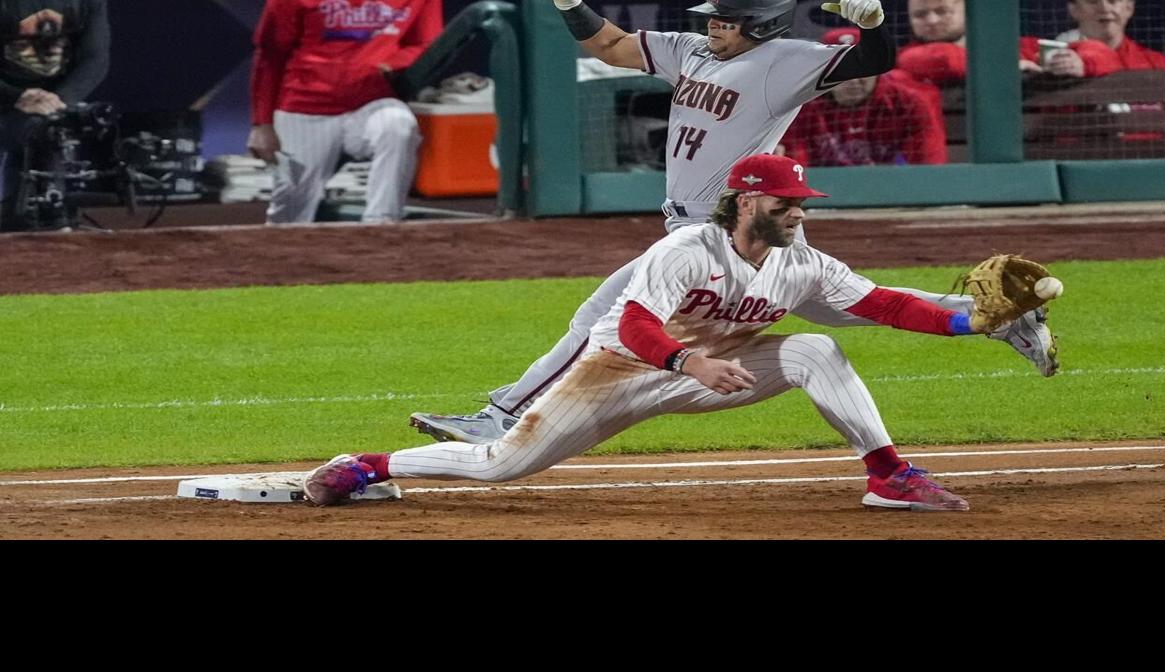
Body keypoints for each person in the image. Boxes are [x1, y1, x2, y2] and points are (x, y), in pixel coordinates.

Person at [410, 0, 1057, 446]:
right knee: (849, 307)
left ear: (761, 23)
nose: (713, 25)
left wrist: (875, 25)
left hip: (724, 236)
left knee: (597, 319)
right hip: (732, 234)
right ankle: (1000, 316)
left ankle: (502, 417)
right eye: (713, 17)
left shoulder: (784, 63)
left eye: (726, 19)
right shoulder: (691, 50)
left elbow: (870, 62)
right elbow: (606, 44)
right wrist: (566, 4)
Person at [305, 154, 972, 512]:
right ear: (747, 202)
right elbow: (632, 322)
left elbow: (886, 304)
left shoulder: (805, 264)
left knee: (816, 350)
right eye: (784, 203)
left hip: (713, 372)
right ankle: (368, 466)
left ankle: (888, 477)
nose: (797, 213)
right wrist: (691, 363)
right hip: (619, 372)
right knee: (502, 465)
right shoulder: (687, 248)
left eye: (801, 203)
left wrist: (973, 319)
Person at [246, 0, 442, 225]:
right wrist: (261, 124)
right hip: (304, 106)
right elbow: (270, 56)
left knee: (398, 127)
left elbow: (426, 42)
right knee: (291, 210)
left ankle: (382, 225)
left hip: (371, 102)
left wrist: (393, 63)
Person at [0, 0, 109, 232]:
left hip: (52, 106)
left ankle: (47, 216)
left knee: (48, 131)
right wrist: (18, 96)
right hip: (6, 100)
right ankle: (40, 217)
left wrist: (59, 99)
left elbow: (95, 59)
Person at [779, 27, 946, 167]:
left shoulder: (907, 102)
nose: (853, 80)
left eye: (863, 69)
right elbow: (794, 167)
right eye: (844, 70)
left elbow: (928, 167)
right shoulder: (801, 105)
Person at [896, 0, 1044, 85]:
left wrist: (1064, 60)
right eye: (920, 15)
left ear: (967, 10)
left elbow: (1061, 48)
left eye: (942, 11)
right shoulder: (907, 57)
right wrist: (1005, 67)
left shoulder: (1016, 46)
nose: (932, 21)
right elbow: (945, 59)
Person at [1043, 0, 1165, 78]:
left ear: (1129, 8)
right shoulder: (1053, 59)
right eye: (1093, 1)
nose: (1104, 8)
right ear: (1074, 10)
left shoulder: (1159, 65)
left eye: (1113, 0)